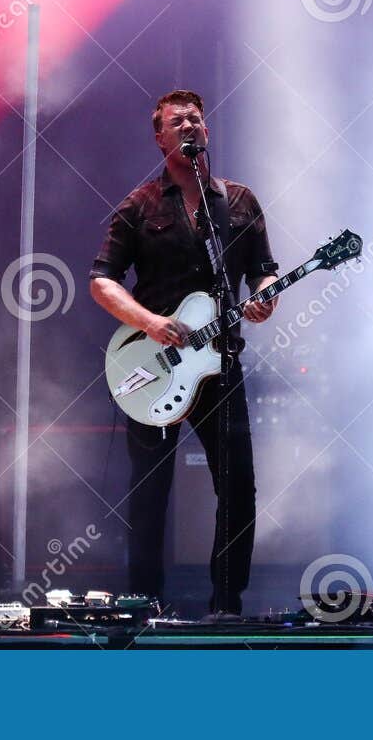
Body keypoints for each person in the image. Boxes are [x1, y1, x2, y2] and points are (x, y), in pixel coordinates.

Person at [90, 89, 280, 616]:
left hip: (219, 365)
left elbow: (263, 267)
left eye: (196, 119)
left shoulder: (239, 201)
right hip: (155, 366)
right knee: (150, 494)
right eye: (177, 122)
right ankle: (144, 606)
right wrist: (149, 322)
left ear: (207, 131)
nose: (189, 126)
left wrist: (266, 293)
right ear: (160, 138)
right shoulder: (139, 205)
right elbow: (101, 281)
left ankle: (225, 605)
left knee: (238, 489)